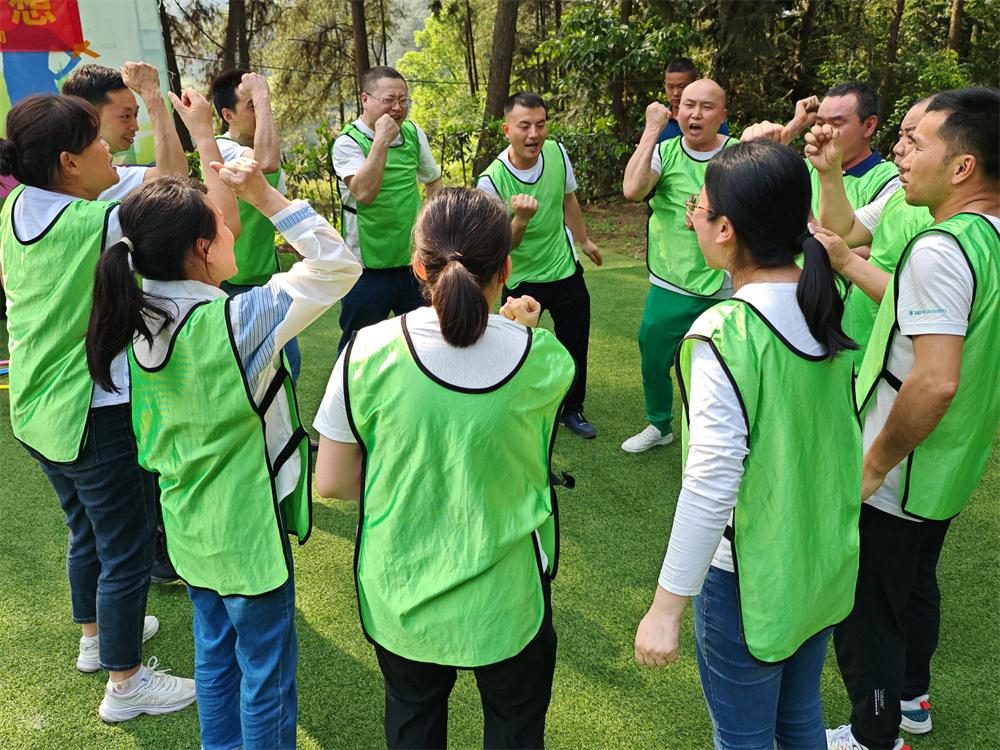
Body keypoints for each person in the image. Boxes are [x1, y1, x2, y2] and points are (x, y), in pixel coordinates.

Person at [85, 154, 360, 748]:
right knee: (265, 673)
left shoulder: (136, 315)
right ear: (204, 249)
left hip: (188, 525)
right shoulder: (239, 320)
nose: (234, 228)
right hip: (248, 532)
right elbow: (338, 264)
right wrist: (265, 196)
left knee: (214, 656)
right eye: (223, 222)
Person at [314, 188, 574, 749]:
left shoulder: (365, 351)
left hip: (401, 591)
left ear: (417, 266)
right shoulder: (546, 359)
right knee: (516, 727)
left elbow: (330, 481)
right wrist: (522, 329)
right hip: (509, 599)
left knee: (414, 722)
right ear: (506, 269)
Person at [633, 141, 862, 749]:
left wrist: (666, 607)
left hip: (749, 574)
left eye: (698, 206)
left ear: (726, 229)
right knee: (799, 718)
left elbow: (711, 481)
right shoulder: (821, 301)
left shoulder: (724, 331)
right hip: (818, 557)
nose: (691, 216)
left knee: (744, 738)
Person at [0, 91, 218, 720]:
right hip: (91, 413)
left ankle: (96, 640)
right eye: (97, 139)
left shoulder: (16, 205)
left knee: (86, 531)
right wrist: (171, 115)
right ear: (68, 162)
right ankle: (125, 685)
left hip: (35, 410)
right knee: (126, 549)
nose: (108, 148)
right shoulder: (94, 223)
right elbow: (177, 197)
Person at [822, 88, 999, 750]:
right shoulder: (990, 236)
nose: (900, 152)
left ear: (962, 167)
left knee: (867, 605)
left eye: (916, 142)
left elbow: (935, 379)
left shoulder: (941, 248)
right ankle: (910, 700)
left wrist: (873, 464)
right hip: (950, 463)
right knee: (916, 584)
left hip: (902, 466)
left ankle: (874, 734)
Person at [63, 60, 191, 583]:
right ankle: (119, 638)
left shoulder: (114, 181)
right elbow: (180, 187)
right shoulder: (63, 204)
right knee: (114, 538)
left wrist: (156, 103)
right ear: (86, 120)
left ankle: (103, 616)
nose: (133, 126)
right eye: (125, 114)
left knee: (102, 517)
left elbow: (175, 185)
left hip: (110, 367)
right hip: (88, 382)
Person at [477, 92, 603, 439]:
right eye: (524, 126)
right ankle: (513, 411)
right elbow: (504, 245)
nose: (534, 134)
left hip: (564, 271)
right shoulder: (491, 180)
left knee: (574, 345)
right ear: (507, 130)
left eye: (540, 125)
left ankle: (572, 410)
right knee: (514, 351)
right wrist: (520, 219)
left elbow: (568, 199)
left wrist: (584, 240)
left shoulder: (557, 153)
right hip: (520, 280)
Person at [621, 79, 736, 453]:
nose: (695, 114)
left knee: (722, 367)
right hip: (671, 280)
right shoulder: (664, 150)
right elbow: (632, 190)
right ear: (676, 111)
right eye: (688, 105)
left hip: (726, 283)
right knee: (653, 355)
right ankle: (659, 424)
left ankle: (721, 434)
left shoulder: (737, 154)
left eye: (706, 107)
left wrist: (711, 219)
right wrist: (651, 130)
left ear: (722, 115)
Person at [807, 97, 933, 364]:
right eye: (901, 135)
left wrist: (846, 261)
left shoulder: (960, 223)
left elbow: (921, 303)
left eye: (913, 139)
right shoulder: (901, 198)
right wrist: (829, 172)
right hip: (864, 351)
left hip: (900, 362)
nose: (898, 148)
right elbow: (843, 231)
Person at [332, 65, 443, 352]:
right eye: (389, 100)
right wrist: (381, 139)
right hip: (366, 269)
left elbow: (433, 181)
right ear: (365, 100)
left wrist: (430, 233)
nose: (397, 108)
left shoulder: (413, 133)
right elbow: (364, 192)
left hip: (414, 263)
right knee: (359, 349)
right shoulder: (348, 142)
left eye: (403, 100)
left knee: (427, 342)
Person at [209, 69, 304, 382]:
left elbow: (280, 206)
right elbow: (265, 163)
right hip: (229, 284)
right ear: (228, 115)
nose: (262, 110)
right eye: (252, 105)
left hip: (266, 279)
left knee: (287, 365)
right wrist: (262, 93)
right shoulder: (222, 150)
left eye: (262, 103)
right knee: (243, 372)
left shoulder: (266, 147)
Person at [804, 82, 900, 218]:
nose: (824, 131)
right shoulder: (806, 167)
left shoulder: (889, 182)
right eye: (819, 123)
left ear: (869, 125)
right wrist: (792, 129)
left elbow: (847, 229)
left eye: (836, 124)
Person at [657, 57, 730, 142]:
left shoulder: (713, 119)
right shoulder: (658, 121)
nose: (675, 93)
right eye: (670, 87)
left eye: (681, 86)